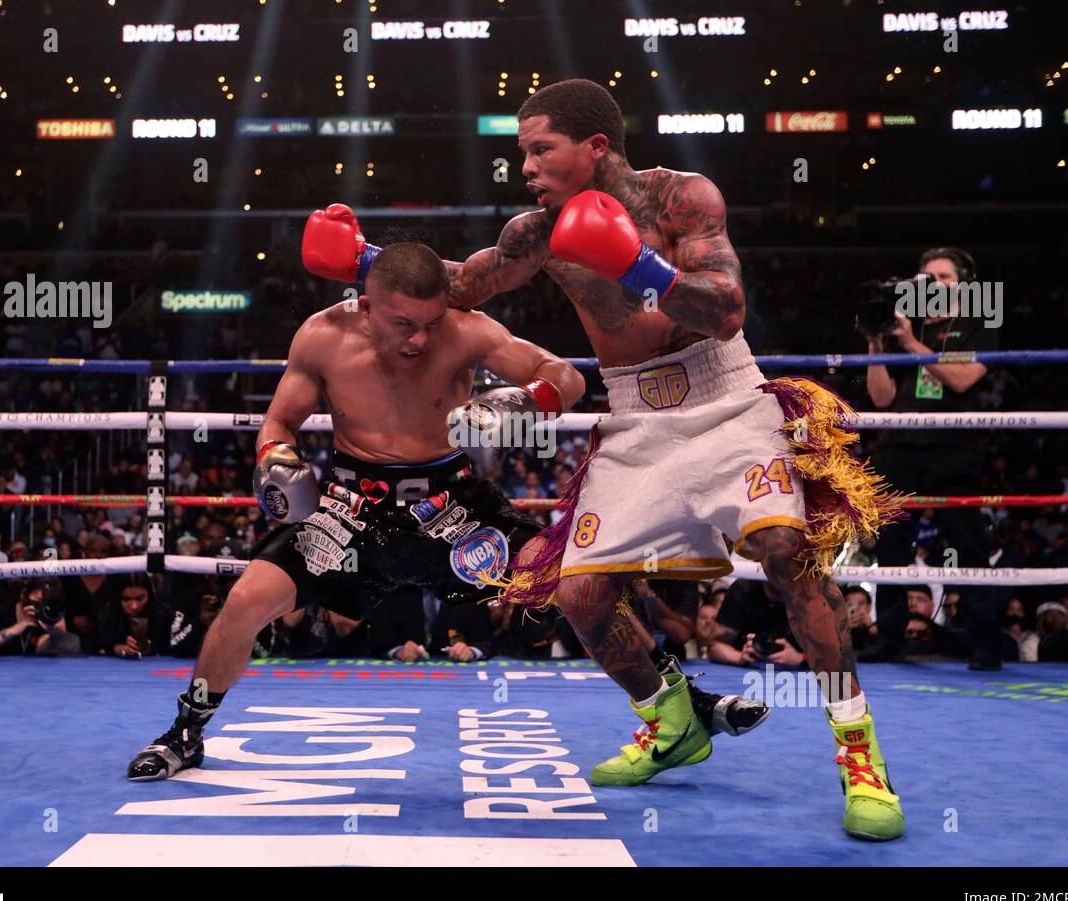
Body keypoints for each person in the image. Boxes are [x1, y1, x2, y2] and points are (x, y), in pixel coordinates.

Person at [303, 79, 901, 838]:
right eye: (521, 152)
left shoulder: (684, 198)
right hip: (634, 415)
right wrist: (362, 257)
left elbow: (727, 309)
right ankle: (671, 720)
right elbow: (458, 285)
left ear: (595, 147)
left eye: (539, 149)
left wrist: (637, 267)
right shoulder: (537, 232)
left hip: (725, 400)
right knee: (580, 598)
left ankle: (860, 758)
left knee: (787, 552)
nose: (525, 166)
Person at [127, 242, 765, 781]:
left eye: (431, 321)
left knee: (576, 582)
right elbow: (281, 420)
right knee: (245, 601)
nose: (421, 338)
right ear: (367, 303)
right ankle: (188, 733)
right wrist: (275, 458)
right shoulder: (320, 337)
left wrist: (522, 402)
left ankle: (681, 701)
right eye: (404, 324)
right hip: (351, 507)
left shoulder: (464, 331)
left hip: (455, 505)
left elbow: (565, 376)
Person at [864, 247, 1000, 672]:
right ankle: (889, 641)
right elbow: (881, 398)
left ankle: (984, 644)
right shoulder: (904, 325)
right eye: (927, 277)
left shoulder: (980, 324)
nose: (933, 283)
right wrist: (875, 340)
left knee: (967, 545)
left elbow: (962, 379)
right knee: (890, 545)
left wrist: (910, 343)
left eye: (943, 276)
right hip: (899, 446)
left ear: (965, 286)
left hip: (952, 447)